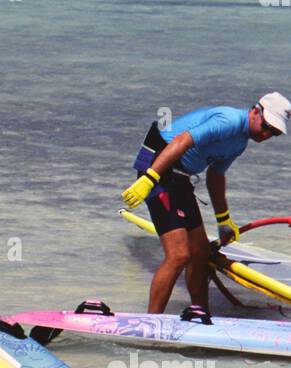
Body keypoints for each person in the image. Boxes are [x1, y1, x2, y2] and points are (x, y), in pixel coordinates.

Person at [122, 94, 291, 317]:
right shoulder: (228, 121)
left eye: (274, 133)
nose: (267, 134)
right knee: (179, 254)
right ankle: (151, 322)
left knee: (200, 253)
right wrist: (150, 178)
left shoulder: (239, 143)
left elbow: (216, 175)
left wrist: (223, 220)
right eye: (267, 126)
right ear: (255, 111)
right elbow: (182, 141)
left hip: (179, 179)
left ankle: (201, 315)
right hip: (158, 168)